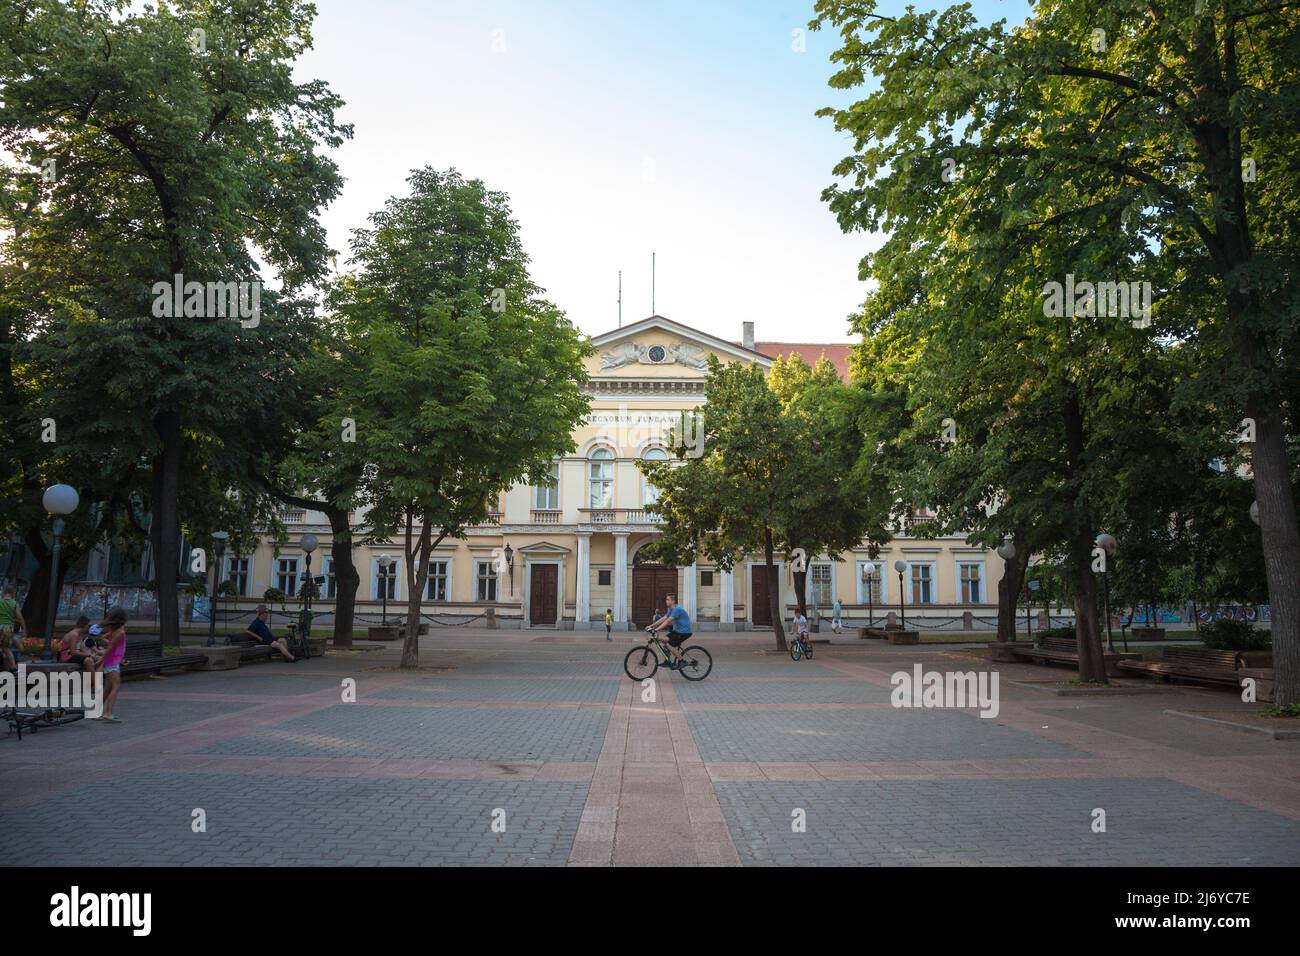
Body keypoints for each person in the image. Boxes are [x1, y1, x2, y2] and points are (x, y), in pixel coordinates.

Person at [92, 607, 128, 723]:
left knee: (108, 688)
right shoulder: (120, 632)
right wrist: (102, 659)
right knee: (116, 686)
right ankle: (108, 713)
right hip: (112, 662)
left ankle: (95, 711)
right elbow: (110, 649)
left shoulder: (117, 630)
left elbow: (109, 643)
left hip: (113, 660)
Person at [647, 593, 691, 668]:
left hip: (684, 632)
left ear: (673, 601)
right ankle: (667, 661)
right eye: (666, 599)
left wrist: (656, 630)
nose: (666, 601)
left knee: (669, 644)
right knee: (664, 640)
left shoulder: (677, 609)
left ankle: (682, 661)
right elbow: (664, 618)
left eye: (668, 599)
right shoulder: (670, 609)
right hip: (677, 631)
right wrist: (651, 626)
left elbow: (667, 621)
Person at [0, 584, 27, 669]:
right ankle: (13, 667)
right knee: (6, 648)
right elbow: (19, 617)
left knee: (3, 649)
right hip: (8, 628)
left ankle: (5, 666)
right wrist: (24, 628)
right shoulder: (14, 604)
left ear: (4, 591)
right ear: (13, 593)